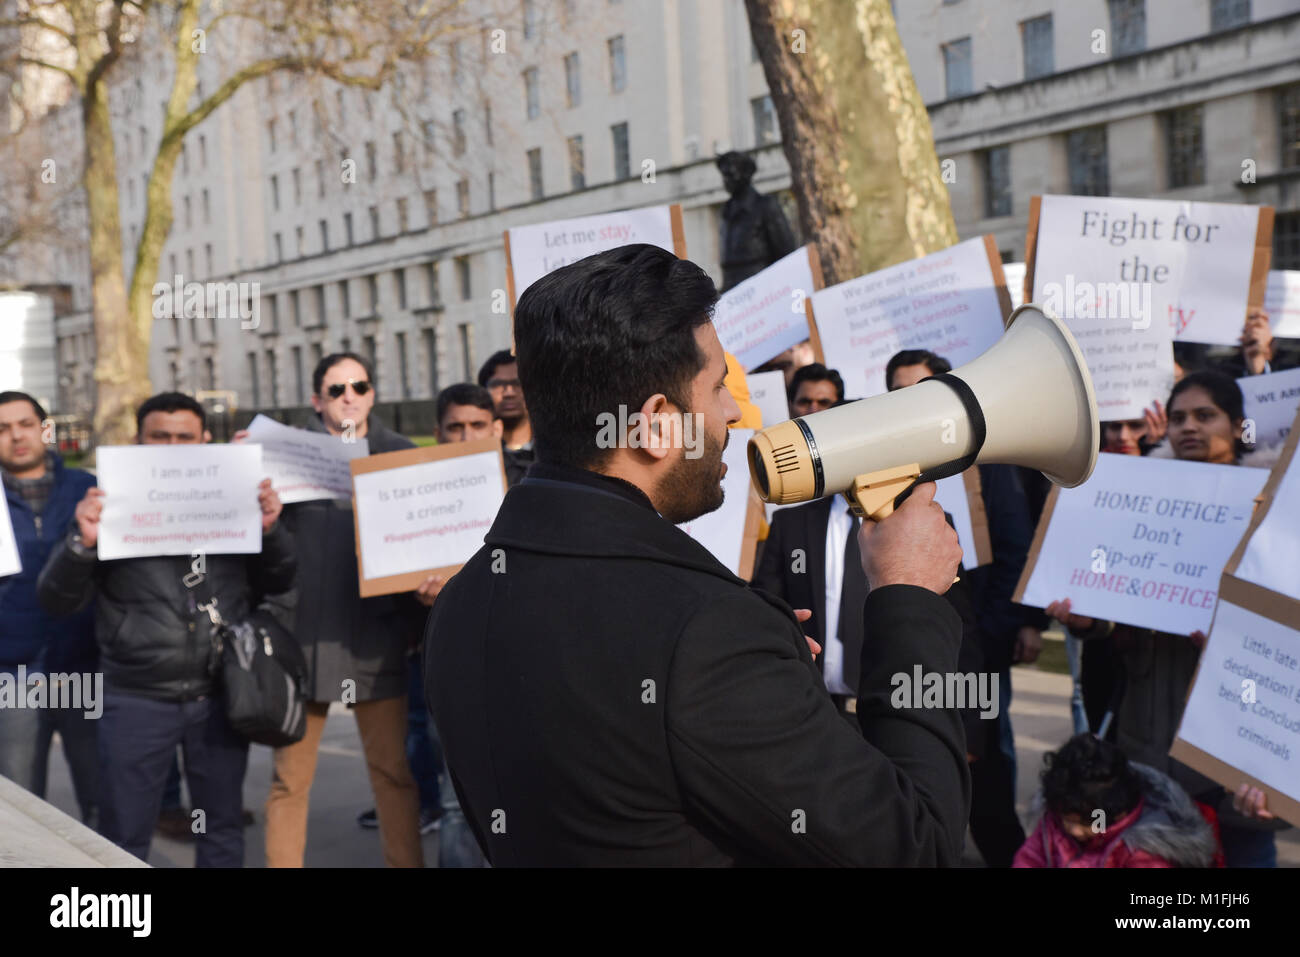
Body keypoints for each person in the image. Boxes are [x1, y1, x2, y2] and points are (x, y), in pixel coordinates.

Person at [425, 244, 968, 866]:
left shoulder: (462, 601)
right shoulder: (707, 636)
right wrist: (909, 598)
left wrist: (757, 668)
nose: (734, 413)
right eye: (715, 387)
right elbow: (919, 846)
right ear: (657, 424)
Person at [37, 392, 293, 867]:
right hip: (135, 698)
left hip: (219, 694)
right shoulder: (105, 506)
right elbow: (55, 599)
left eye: (184, 437)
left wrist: (273, 530)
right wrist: (80, 543)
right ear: (138, 440)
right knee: (123, 836)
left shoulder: (238, 499)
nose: (173, 446)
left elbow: (281, 580)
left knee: (220, 829)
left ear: (205, 440)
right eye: (160, 437)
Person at [1046, 371, 1287, 867]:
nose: (1188, 427)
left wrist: (1227, 647)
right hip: (1146, 740)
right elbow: (1122, 609)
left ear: (1238, 425)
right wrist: (1089, 623)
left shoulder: (1273, 511)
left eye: (1205, 415)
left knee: (1242, 855)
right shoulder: (1141, 500)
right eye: (1177, 418)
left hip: (1232, 742)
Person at [264, 354, 424, 868]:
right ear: (317, 401)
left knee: (393, 774)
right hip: (301, 639)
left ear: (372, 394)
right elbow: (263, 551)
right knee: (290, 779)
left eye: (359, 385)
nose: (349, 395)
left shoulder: (401, 455)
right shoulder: (283, 458)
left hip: (374, 640)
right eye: (336, 389)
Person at [884, 350, 1042, 868]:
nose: (910, 400)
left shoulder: (986, 463)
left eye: (922, 388)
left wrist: (998, 632)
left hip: (975, 650)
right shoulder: (882, 464)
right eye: (899, 389)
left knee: (987, 772)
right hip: (911, 640)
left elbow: (1015, 546)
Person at [0, 392, 99, 825]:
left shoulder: (87, 488)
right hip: (12, 673)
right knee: (21, 805)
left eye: (24, 424)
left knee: (103, 793)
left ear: (45, 429)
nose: (15, 436)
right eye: (2, 429)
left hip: (84, 662)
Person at [1013, 733, 1219, 868]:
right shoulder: (1054, 823)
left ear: (1118, 811)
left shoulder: (1144, 851)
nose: (1073, 830)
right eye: (1067, 819)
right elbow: (1029, 860)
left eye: (1087, 822)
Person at [715, 150, 798, 292]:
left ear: (745, 174)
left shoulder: (765, 205)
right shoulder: (726, 210)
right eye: (723, 175)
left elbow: (786, 253)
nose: (725, 180)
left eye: (730, 174)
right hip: (732, 292)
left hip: (761, 293)